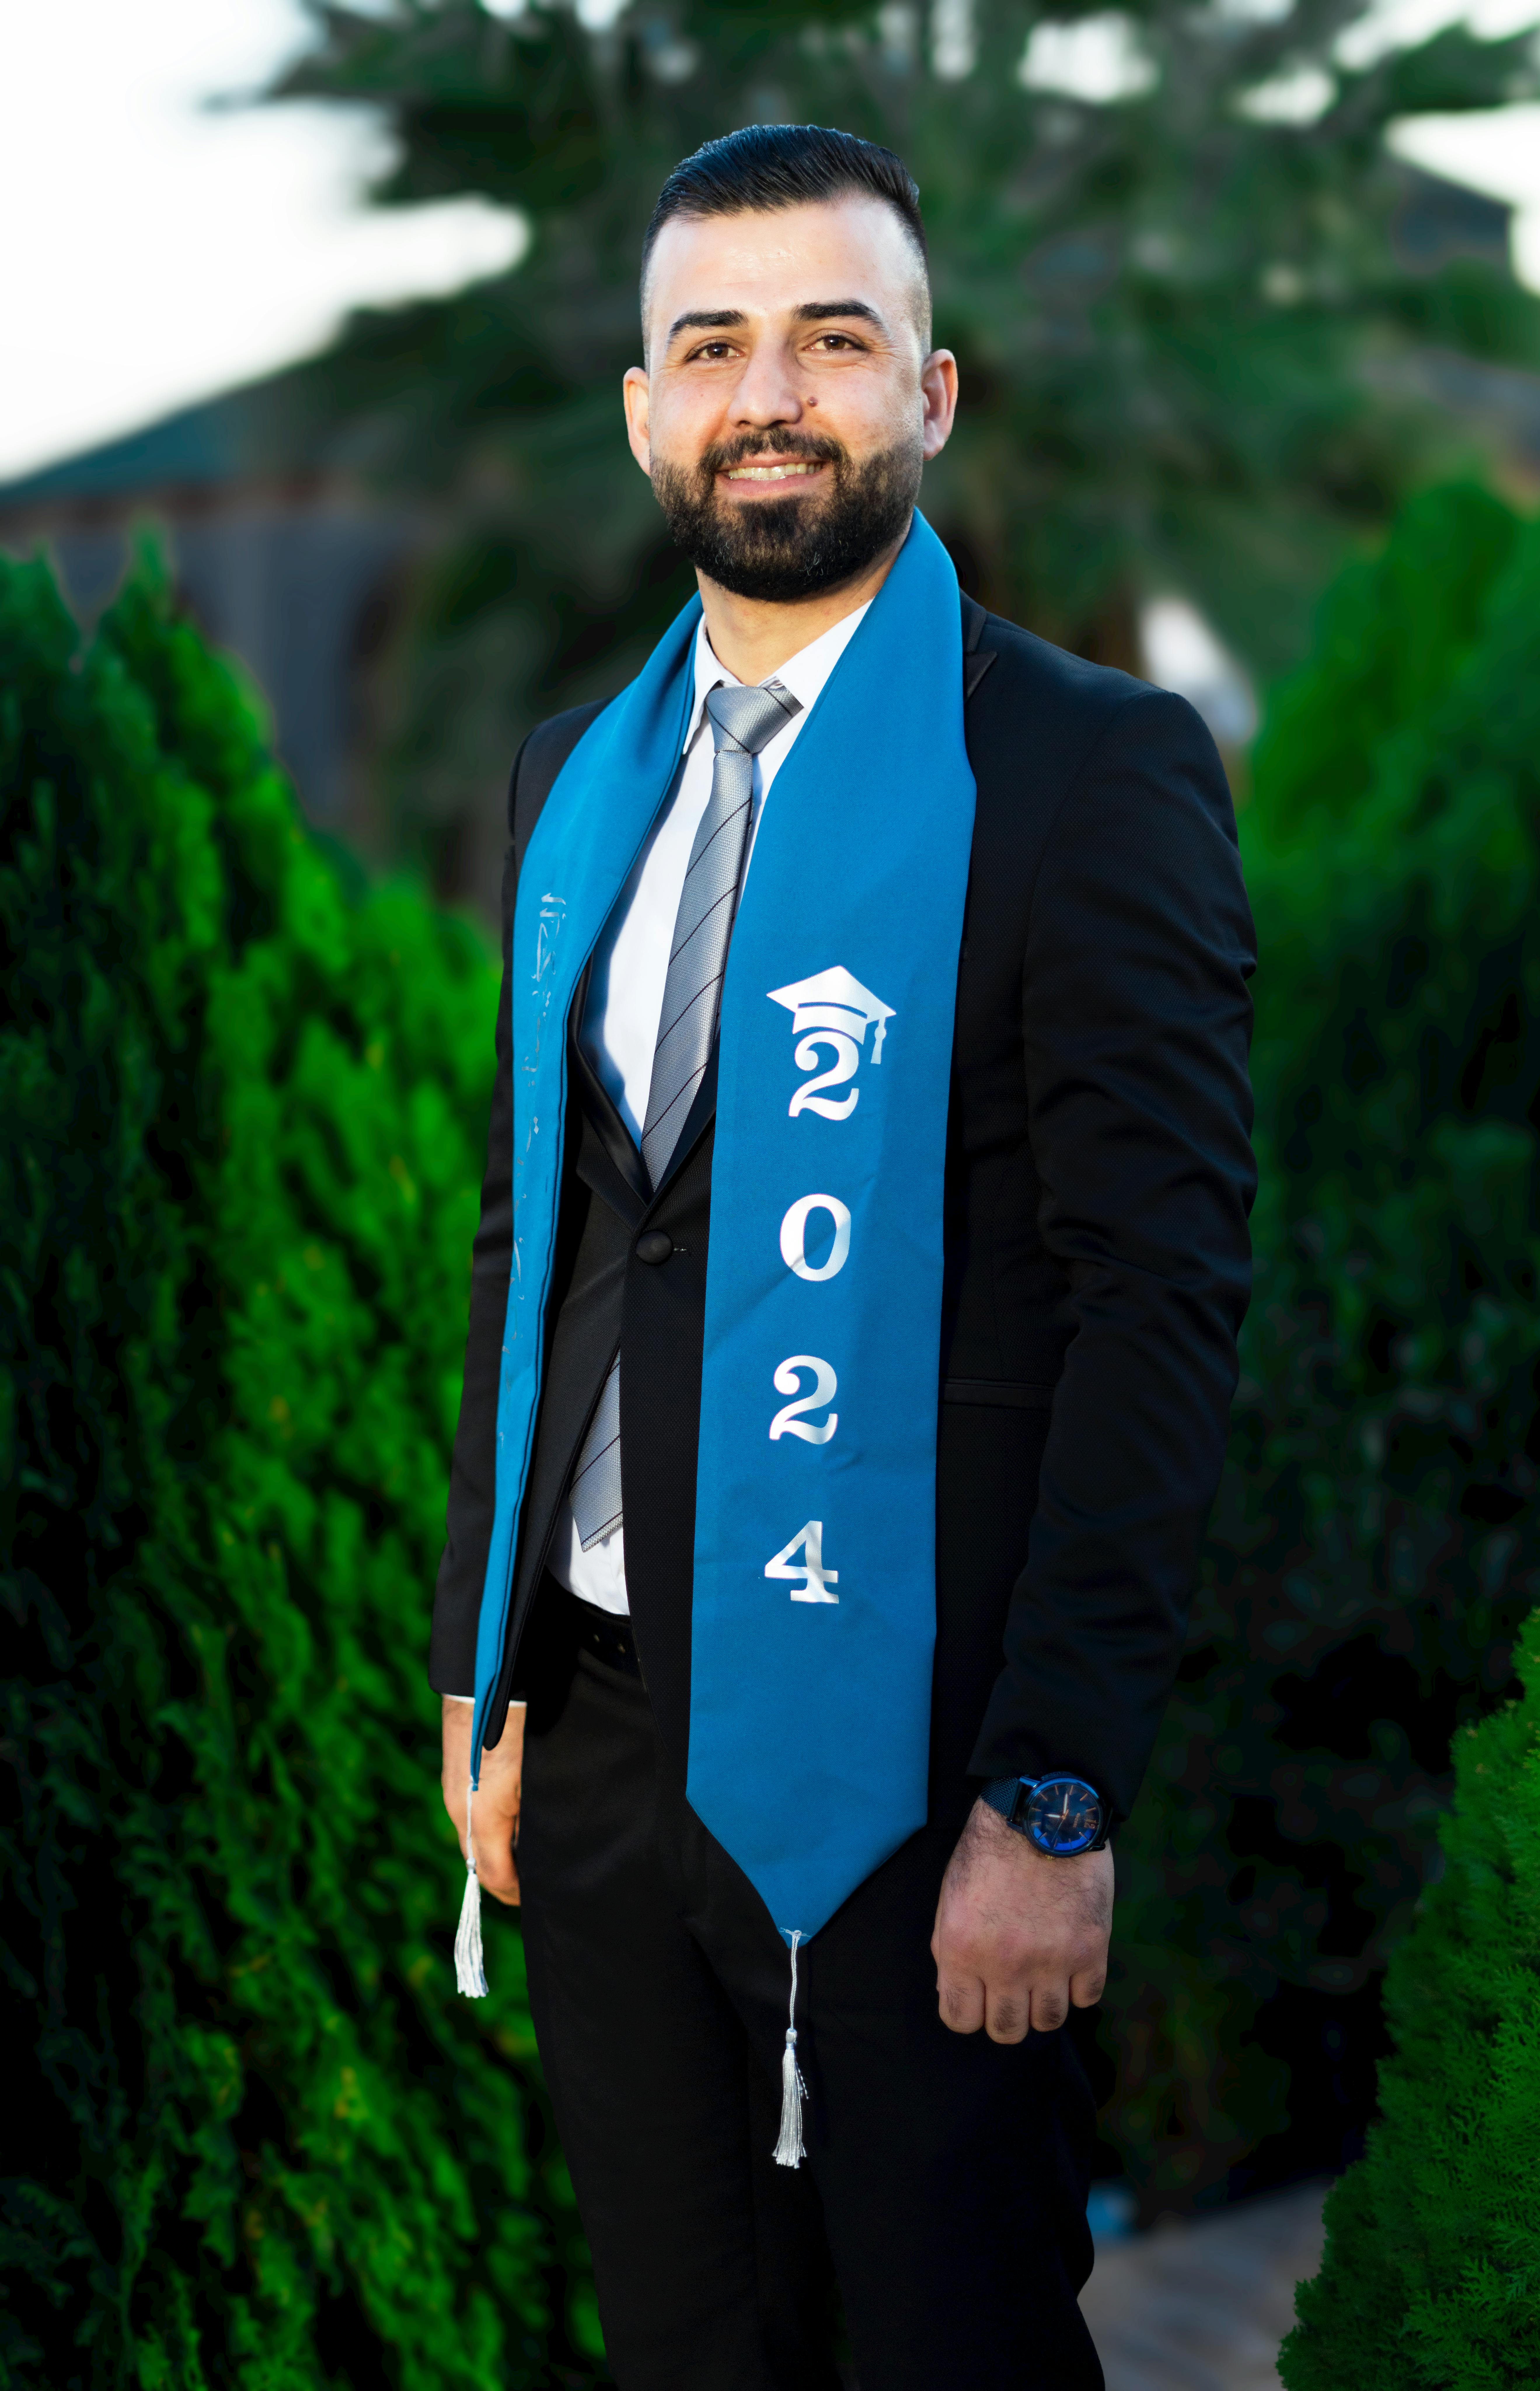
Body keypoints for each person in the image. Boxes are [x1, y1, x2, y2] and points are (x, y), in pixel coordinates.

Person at [431, 122, 1254, 2391]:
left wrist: (1052, 1792)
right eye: (710, 346)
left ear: (931, 392)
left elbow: (1158, 1305)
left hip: (909, 1753)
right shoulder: (574, 784)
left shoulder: (1082, 769)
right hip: (603, 1744)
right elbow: (539, 1237)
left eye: (831, 338)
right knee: (690, 2349)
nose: (767, 394)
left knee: (942, 2349)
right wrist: (480, 1658)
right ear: (644, 412)